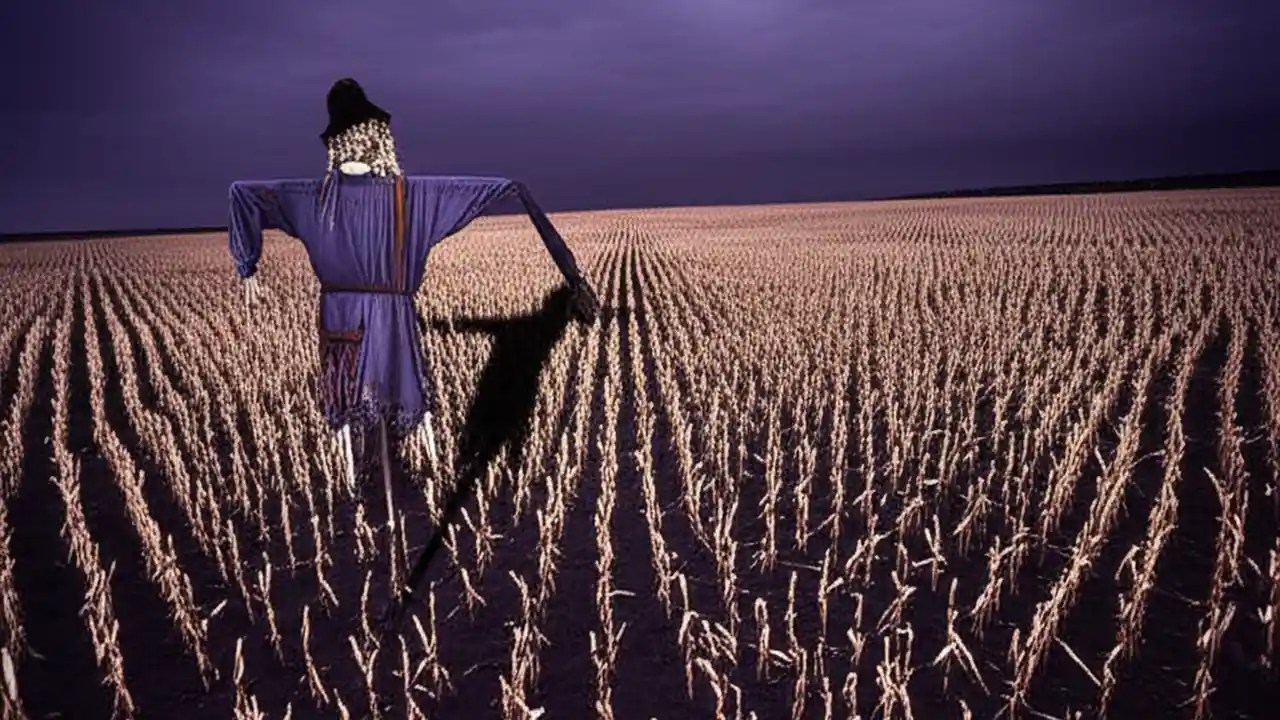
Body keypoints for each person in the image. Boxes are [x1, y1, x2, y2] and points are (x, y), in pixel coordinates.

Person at [227, 78, 599, 522]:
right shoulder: (411, 195)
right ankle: (436, 470)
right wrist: (521, 200)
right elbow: (489, 187)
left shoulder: (312, 198)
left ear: (336, 144)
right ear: (378, 138)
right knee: (408, 389)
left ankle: (350, 481)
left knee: (344, 397)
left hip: (340, 314)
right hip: (391, 313)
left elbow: (242, 192)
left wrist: (248, 266)